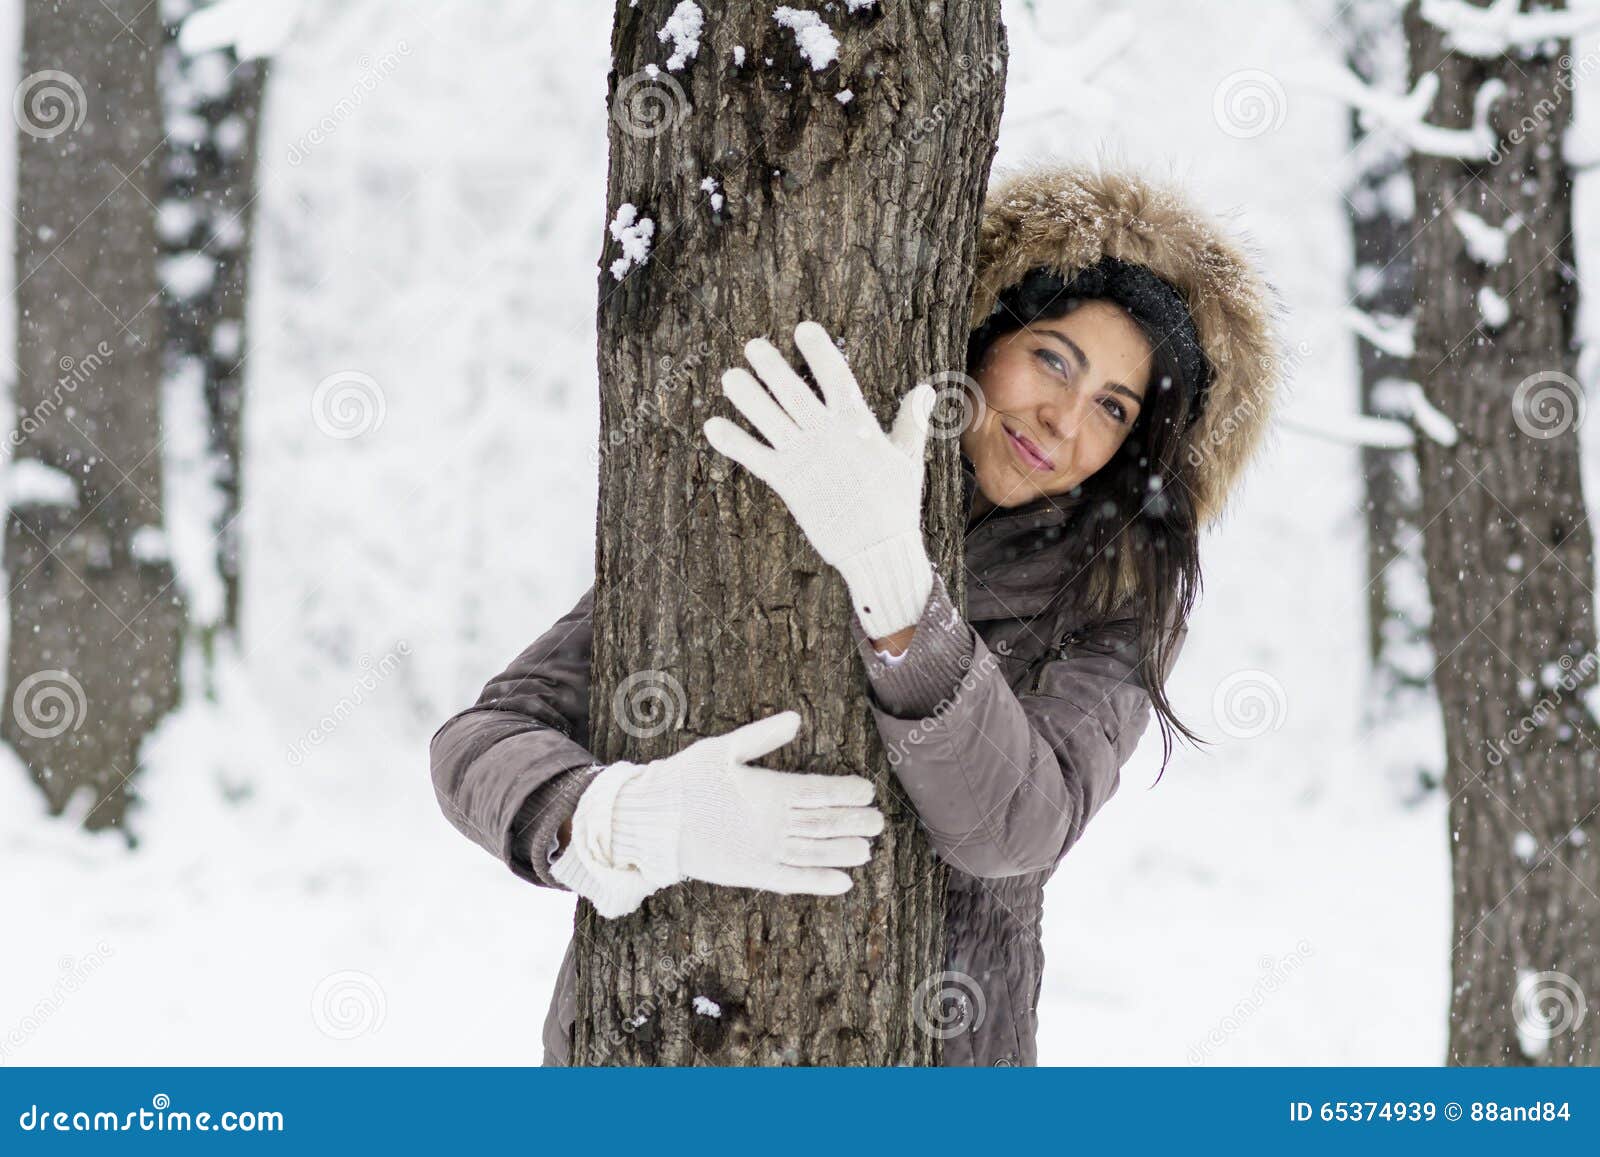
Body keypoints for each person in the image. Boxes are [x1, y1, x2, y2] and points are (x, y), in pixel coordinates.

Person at [429, 161, 1285, 1066]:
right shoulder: (803, 470)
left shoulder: (1114, 593)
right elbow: (480, 739)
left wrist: (893, 576)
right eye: (1052, 359)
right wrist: (623, 817)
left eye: (1112, 407)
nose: (1063, 419)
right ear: (987, 332)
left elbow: (1015, 824)